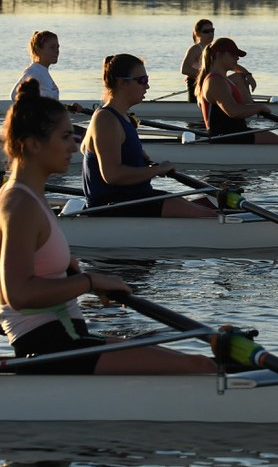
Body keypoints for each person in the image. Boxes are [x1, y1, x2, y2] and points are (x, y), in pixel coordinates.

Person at [1, 80, 214, 374]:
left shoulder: (25, 196)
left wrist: (75, 276)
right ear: (33, 144)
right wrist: (91, 282)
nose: (74, 146)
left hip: (66, 337)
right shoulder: (20, 204)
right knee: (200, 367)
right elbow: (18, 294)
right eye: (64, 137)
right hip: (52, 346)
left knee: (177, 350)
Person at [82, 54, 215, 218]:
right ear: (122, 83)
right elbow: (112, 175)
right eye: (142, 80)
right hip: (113, 206)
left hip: (134, 198)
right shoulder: (106, 119)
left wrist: (142, 161)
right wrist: (156, 170)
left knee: (209, 206)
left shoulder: (121, 116)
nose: (147, 86)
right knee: (209, 217)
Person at [197, 37, 278, 144]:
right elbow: (233, 111)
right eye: (232, 54)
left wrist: (246, 76)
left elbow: (246, 104)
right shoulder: (215, 81)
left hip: (235, 134)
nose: (237, 58)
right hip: (224, 138)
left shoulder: (224, 80)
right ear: (218, 54)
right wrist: (260, 107)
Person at [10, 31, 82, 113]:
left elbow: (49, 103)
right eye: (52, 47)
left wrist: (69, 107)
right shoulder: (34, 71)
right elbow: (14, 95)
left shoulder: (42, 71)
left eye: (58, 47)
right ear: (38, 50)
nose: (57, 51)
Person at [178, 19, 214, 104]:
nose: (210, 34)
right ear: (198, 34)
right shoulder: (196, 49)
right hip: (196, 85)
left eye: (212, 31)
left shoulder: (213, 48)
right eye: (206, 31)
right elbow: (184, 69)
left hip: (209, 85)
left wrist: (246, 74)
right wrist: (205, 76)